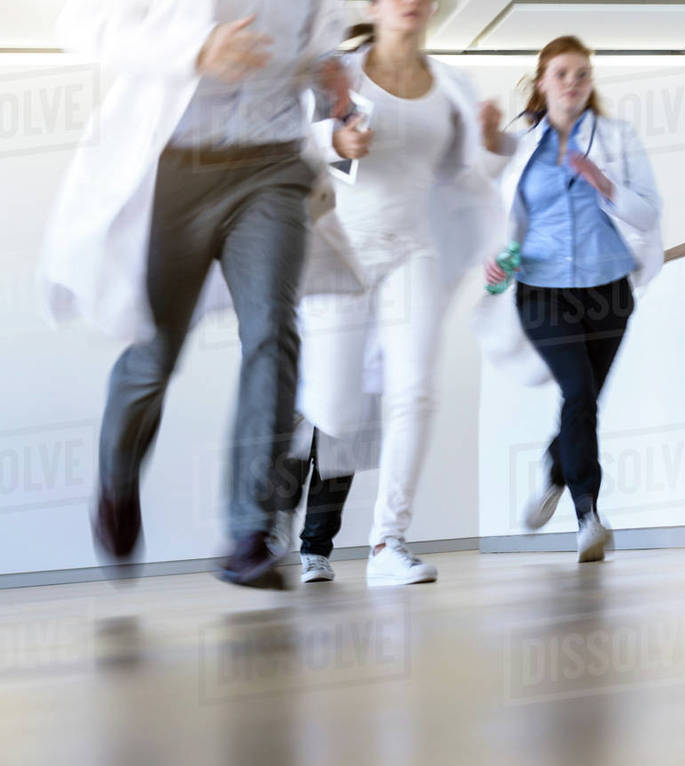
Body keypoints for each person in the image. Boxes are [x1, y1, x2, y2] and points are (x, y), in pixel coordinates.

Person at [39, 0, 361, 589]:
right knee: (154, 352)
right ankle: (117, 477)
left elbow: (318, 40)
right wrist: (193, 50)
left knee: (273, 332)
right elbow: (81, 22)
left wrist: (330, 70)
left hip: (273, 165)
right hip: (173, 170)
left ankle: (251, 530)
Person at [284, 0, 504, 584]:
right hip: (340, 248)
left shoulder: (453, 85)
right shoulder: (337, 70)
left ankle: (388, 544)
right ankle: (278, 504)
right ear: (372, 6)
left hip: (414, 251)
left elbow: (468, 179)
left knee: (415, 392)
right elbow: (290, 143)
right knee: (335, 406)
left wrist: (491, 145)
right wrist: (336, 140)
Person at [478, 36, 664, 562]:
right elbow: (497, 221)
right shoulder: (520, 147)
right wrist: (494, 262)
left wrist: (603, 183)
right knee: (579, 390)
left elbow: (648, 215)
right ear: (542, 82)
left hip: (608, 291)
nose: (573, 83)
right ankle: (589, 517)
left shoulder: (616, 138)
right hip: (541, 291)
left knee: (583, 403)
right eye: (562, 73)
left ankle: (554, 473)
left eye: (582, 74)